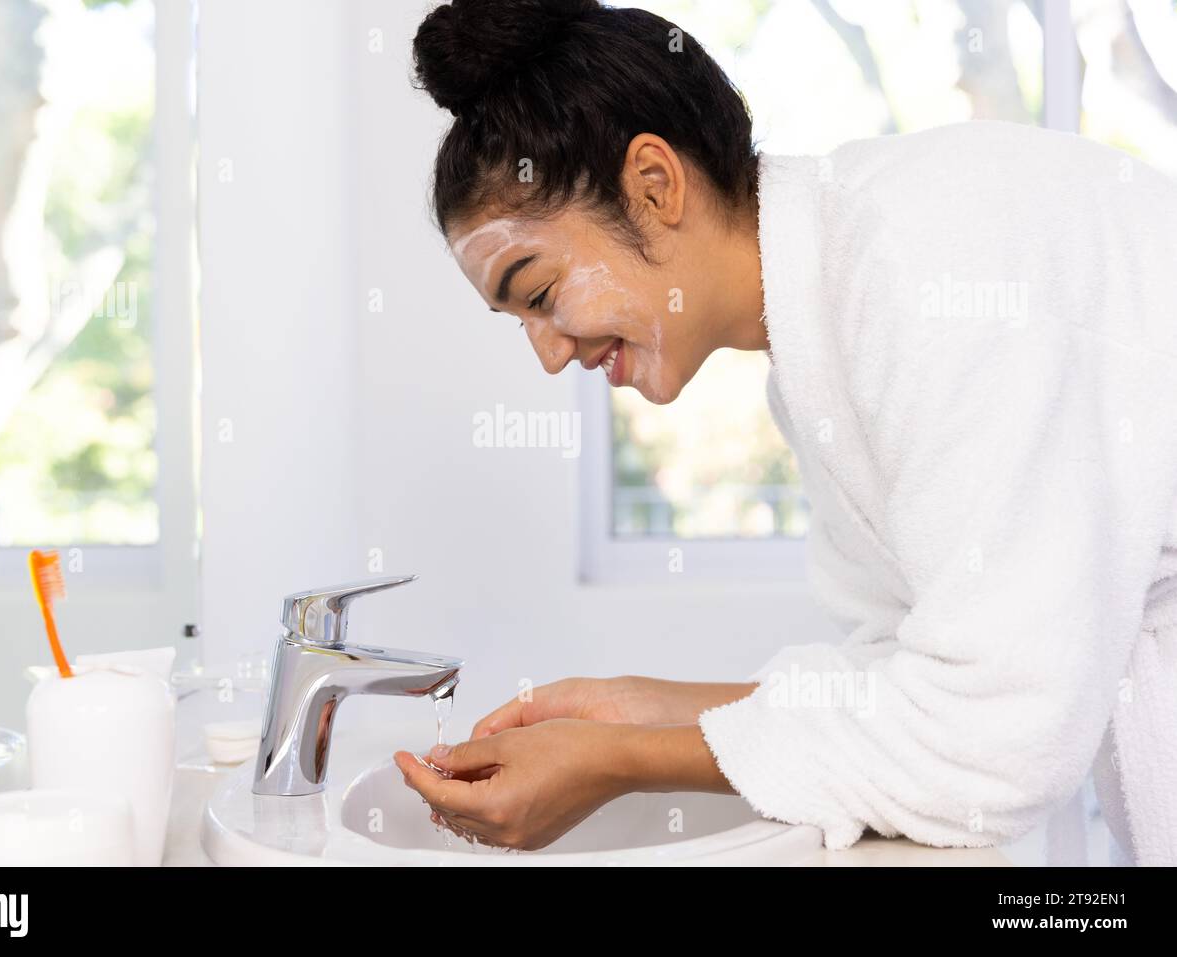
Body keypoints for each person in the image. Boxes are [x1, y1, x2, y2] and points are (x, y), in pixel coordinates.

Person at [393, 0, 1177, 863]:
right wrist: (647, 704)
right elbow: (908, 669)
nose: (547, 355)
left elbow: (998, 729)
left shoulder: (927, 264)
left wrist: (619, 761)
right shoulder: (823, 342)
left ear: (654, 185)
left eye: (538, 293)